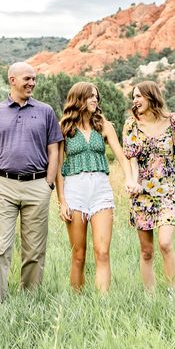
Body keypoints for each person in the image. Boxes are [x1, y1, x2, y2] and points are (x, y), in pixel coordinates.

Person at [0, 62, 63, 305]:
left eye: (34, 79)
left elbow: (54, 150)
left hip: (37, 186)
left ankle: (29, 301)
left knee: (34, 250)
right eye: (27, 78)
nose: (32, 83)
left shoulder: (46, 111)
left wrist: (49, 184)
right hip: (3, 185)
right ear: (12, 80)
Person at [56, 82, 141, 294]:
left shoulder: (103, 125)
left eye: (96, 97)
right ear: (79, 99)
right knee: (78, 255)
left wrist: (129, 179)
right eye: (91, 97)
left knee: (102, 252)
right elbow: (57, 168)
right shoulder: (63, 128)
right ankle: (78, 302)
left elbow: (121, 157)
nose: (95, 100)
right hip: (74, 191)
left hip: (100, 190)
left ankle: (102, 303)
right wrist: (62, 201)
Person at [123, 80, 175, 295]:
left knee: (165, 243)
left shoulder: (173, 122)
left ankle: (173, 295)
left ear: (151, 97)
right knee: (147, 251)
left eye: (139, 96)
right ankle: (150, 298)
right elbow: (131, 161)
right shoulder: (131, 125)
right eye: (134, 97)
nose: (135, 100)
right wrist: (132, 182)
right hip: (142, 194)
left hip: (169, 191)